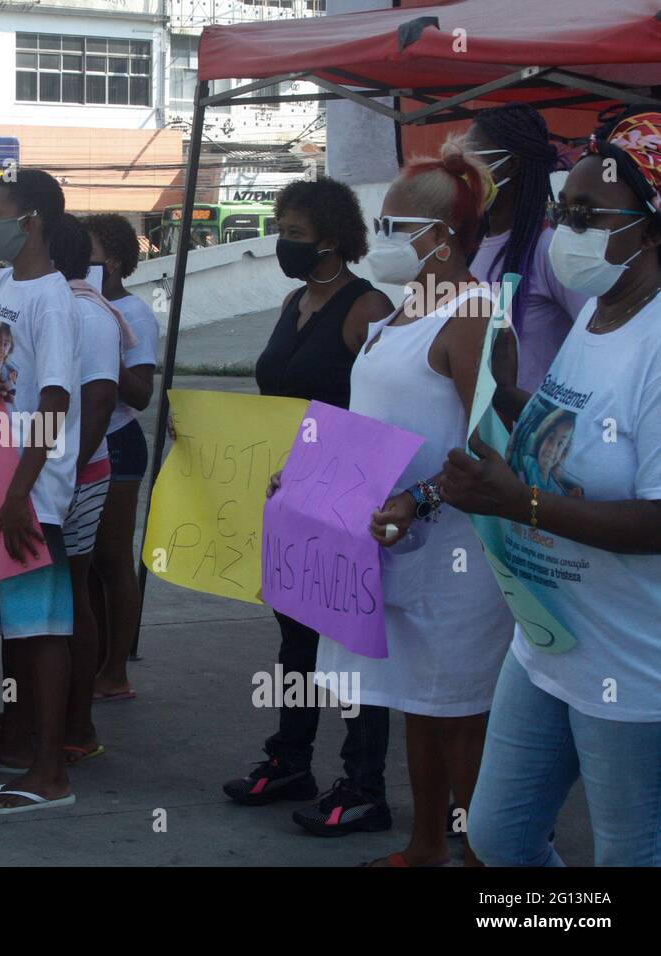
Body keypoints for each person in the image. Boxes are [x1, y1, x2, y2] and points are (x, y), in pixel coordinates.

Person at [443, 107, 661, 867]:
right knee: (499, 837)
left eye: (586, 215)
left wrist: (519, 503)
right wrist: (505, 398)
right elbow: (558, 438)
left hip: (632, 660)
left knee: (631, 853)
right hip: (549, 637)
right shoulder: (598, 315)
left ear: (651, 223)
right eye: (564, 212)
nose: (565, 232)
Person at [310, 140, 514, 867]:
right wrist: (308, 482)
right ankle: (426, 846)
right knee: (419, 707)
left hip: (458, 558)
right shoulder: (390, 317)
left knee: (462, 715)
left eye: (396, 228)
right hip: (388, 548)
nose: (383, 242)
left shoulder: (474, 316)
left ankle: (486, 860)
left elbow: (496, 454)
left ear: (443, 236)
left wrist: (419, 498)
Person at [222, 179, 397, 839]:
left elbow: (387, 409)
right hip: (291, 499)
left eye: (293, 231)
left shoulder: (368, 306)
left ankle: (363, 784)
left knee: (348, 646)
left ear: (331, 239)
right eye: (280, 227)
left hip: (346, 501)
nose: (282, 241)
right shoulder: (295, 299)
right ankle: (290, 759)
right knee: (295, 644)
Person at [0, 169, 81, 814]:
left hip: (31, 490)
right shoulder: (7, 284)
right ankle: (25, 741)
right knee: (17, 629)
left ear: (29, 220)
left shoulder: (54, 300)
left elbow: (55, 400)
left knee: (43, 628)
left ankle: (50, 771)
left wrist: (20, 493)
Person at [50, 214, 122, 767]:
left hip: (73, 475)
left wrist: (68, 476)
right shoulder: (42, 299)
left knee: (70, 592)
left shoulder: (85, 311)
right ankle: (39, 715)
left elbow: (99, 399)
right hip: (37, 473)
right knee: (41, 601)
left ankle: (77, 724)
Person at [81, 214, 160, 703]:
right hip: (82, 442)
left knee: (111, 559)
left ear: (110, 258)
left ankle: (115, 670)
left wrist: (104, 346)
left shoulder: (135, 313)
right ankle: (91, 662)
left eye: (86, 250)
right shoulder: (75, 304)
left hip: (116, 440)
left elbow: (141, 392)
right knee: (84, 562)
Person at [463, 103, 588, 392]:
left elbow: (595, 341)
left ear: (512, 164)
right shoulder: (469, 247)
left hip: (533, 429)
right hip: (481, 433)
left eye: (474, 159)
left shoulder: (548, 248)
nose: (463, 172)